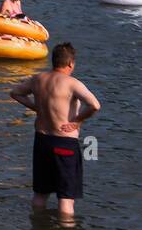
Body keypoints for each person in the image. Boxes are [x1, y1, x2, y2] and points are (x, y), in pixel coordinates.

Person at [8, 42, 101, 217]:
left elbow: (15, 93)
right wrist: (77, 121)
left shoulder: (38, 79)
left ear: (53, 61)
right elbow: (95, 105)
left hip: (42, 141)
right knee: (66, 199)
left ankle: (38, 226)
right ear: (71, 63)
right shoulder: (72, 83)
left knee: (40, 194)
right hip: (64, 143)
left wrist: (36, 108)